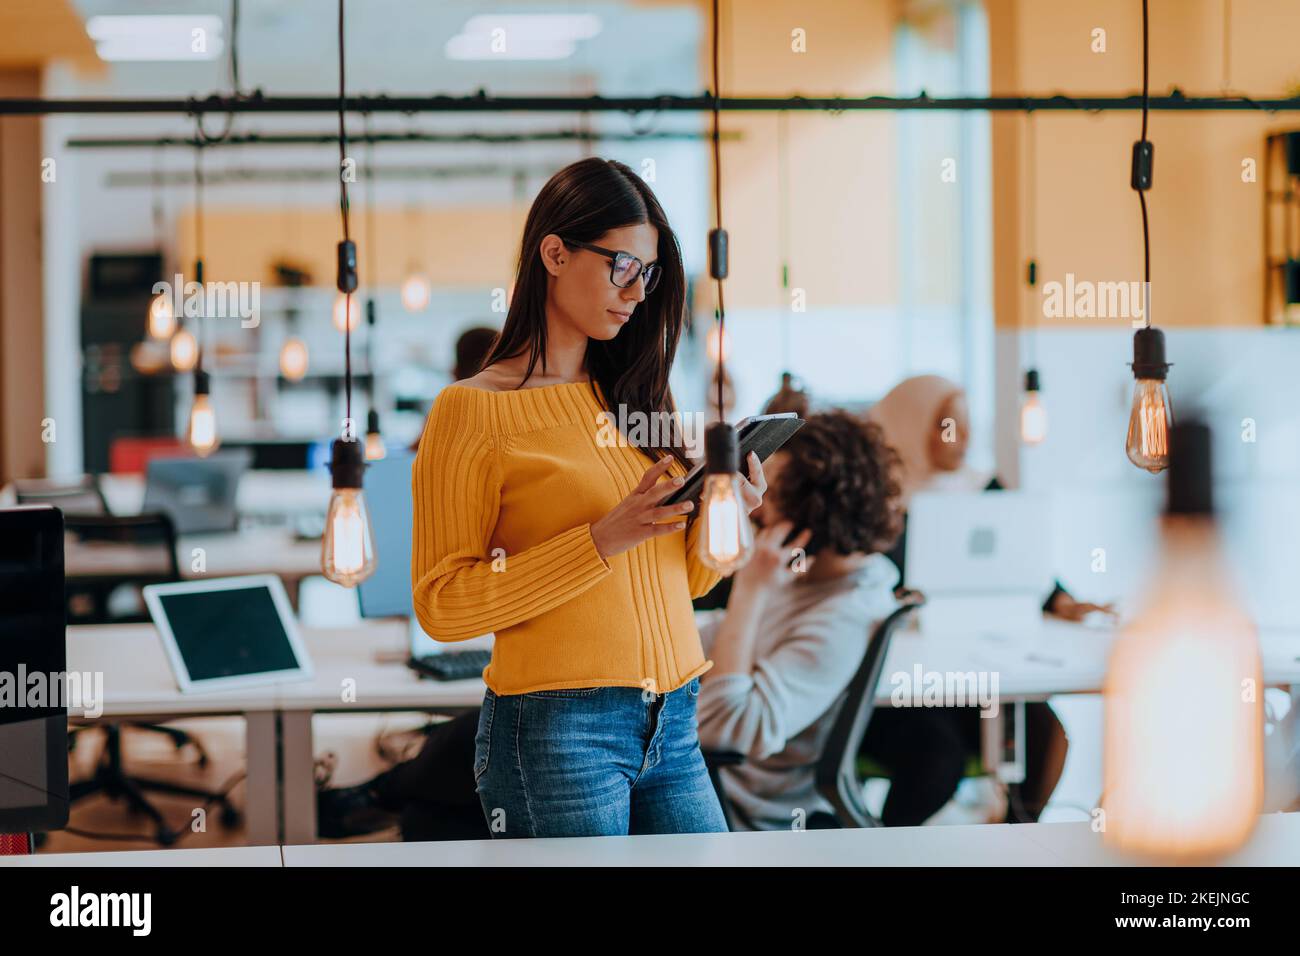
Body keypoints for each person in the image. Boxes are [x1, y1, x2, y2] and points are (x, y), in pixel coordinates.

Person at [410, 157, 767, 838]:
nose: (636, 292)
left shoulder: (634, 400)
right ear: (554, 252)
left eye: (650, 273)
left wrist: (727, 515)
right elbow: (441, 603)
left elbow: (686, 583)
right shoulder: (471, 411)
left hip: (676, 717)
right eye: (621, 266)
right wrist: (600, 540)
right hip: (558, 731)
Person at [859, 374, 1114, 825]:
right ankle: (882, 849)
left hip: (977, 673)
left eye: (966, 423)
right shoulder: (875, 501)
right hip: (907, 687)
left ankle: (1018, 837)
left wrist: (1062, 602)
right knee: (937, 759)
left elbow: (1021, 563)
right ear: (909, 427)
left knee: (1045, 734)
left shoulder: (984, 485)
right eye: (945, 426)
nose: (964, 438)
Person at [695, 410, 905, 830]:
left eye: (773, 496)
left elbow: (724, 728)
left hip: (749, 809)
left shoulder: (845, 617)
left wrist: (750, 588)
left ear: (811, 513)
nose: (757, 510)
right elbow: (720, 634)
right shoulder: (812, 579)